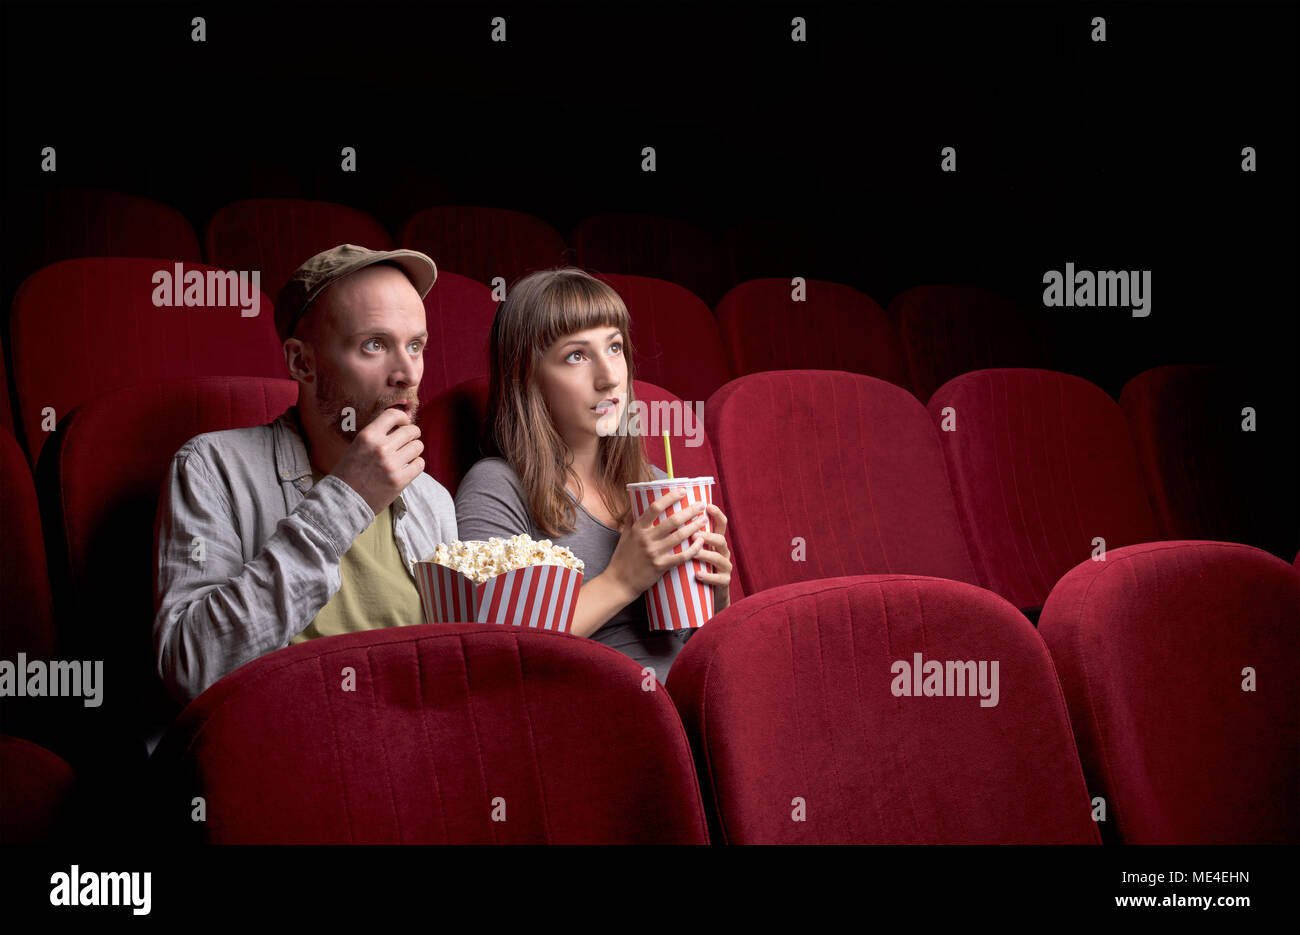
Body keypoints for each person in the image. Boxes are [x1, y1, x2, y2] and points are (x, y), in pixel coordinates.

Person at [152, 244, 456, 713]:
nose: (406, 373)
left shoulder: (432, 500)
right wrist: (346, 500)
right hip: (284, 746)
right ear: (301, 363)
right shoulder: (211, 467)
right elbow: (191, 668)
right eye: (374, 345)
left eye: (416, 345)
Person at [454, 268, 733, 679]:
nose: (609, 378)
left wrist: (718, 596)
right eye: (576, 355)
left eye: (615, 347)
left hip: (689, 696)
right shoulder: (496, 486)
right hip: (595, 709)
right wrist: (622, 579)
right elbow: (498, 653)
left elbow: (699, 646)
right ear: (526, 375)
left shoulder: (654, 482)